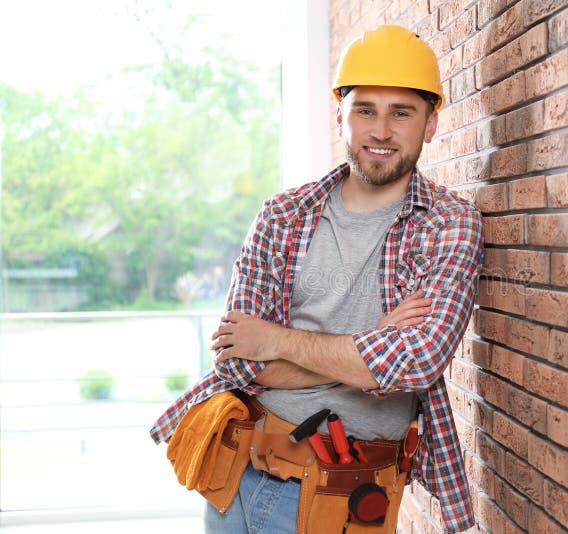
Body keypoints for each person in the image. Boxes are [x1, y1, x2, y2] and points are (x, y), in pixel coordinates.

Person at [150, 24, 482, 533]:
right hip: (236, 472)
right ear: (340, 116)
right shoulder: (282, 215)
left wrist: (279, 342)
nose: (381, 130)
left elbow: (417, 363)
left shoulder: (449, 224)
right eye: (365, 109)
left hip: (345, 496)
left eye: (402, 112)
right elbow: (240, 365)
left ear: (431, 122)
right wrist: (376, 342)